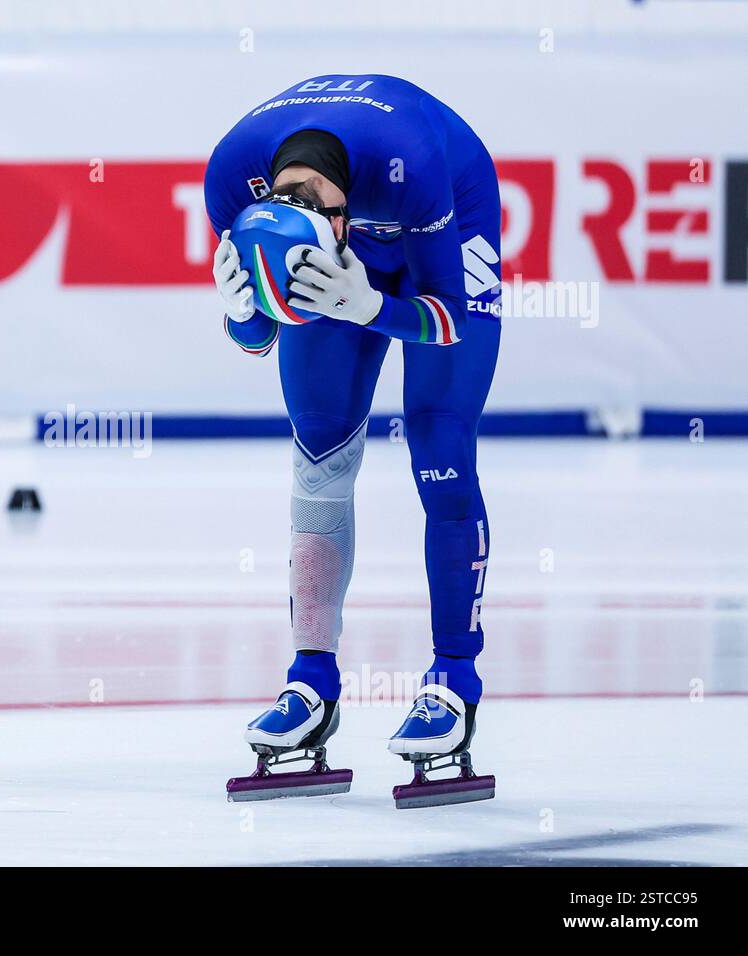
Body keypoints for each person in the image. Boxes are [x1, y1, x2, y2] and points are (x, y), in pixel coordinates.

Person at [208, 75, 501, 807]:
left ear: (345, 203)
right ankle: (312, 680)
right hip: (343, 257)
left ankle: (455, 681)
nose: (347, 235)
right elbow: (257, 332)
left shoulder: (410, 160)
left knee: (440, 448)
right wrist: (238, 312)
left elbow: (451, 319)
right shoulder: (228, 179)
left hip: (446, 218)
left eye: (340, 219)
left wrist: (371, 304)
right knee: (318, 456)